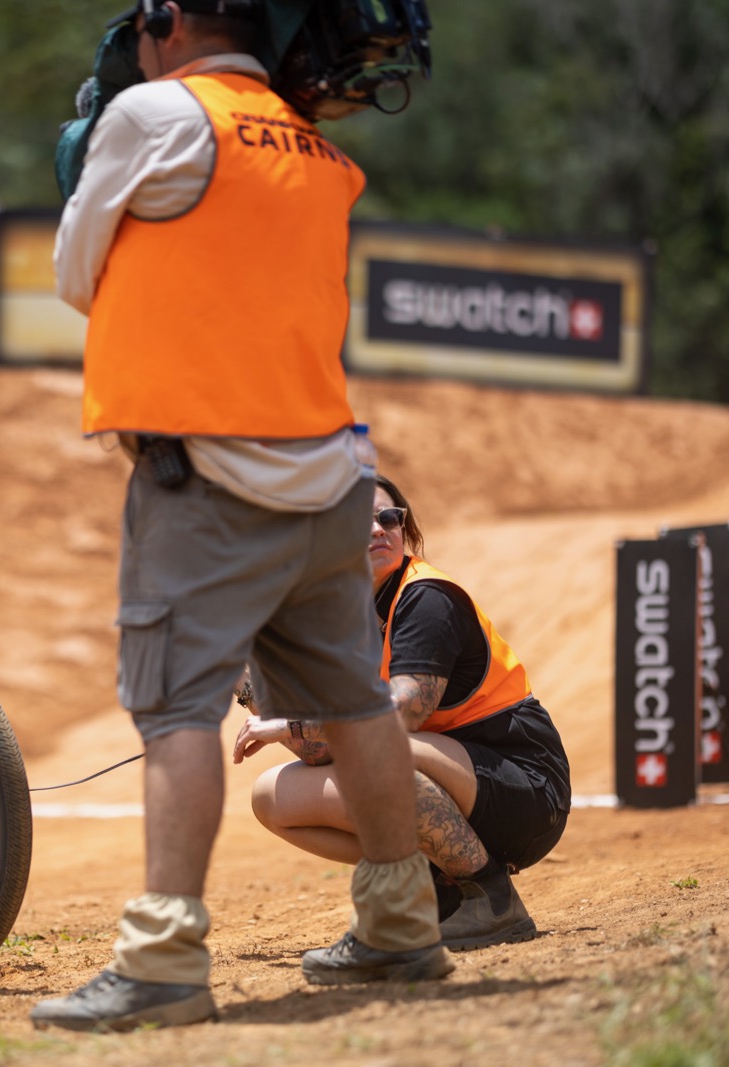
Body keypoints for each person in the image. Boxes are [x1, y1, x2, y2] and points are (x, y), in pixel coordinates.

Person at [30, 0, 452, 1034]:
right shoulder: (311, 143)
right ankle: (401, 924)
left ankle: (164, 957)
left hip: (208, 477)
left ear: (171, 19)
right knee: (353, 698)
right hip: (333, 476)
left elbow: (74, 277)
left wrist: (102, 135)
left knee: (175, 711)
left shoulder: (154, 118)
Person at [233, 474, 572, 951]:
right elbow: (317, 751)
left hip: (526, 789)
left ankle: (490, 898)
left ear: (404, 528)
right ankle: (439, 891)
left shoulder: (427, 598)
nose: (377, 529)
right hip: (454, 782)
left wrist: (286, 724)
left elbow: (402, 714)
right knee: (274, 796)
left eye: (388, 517)